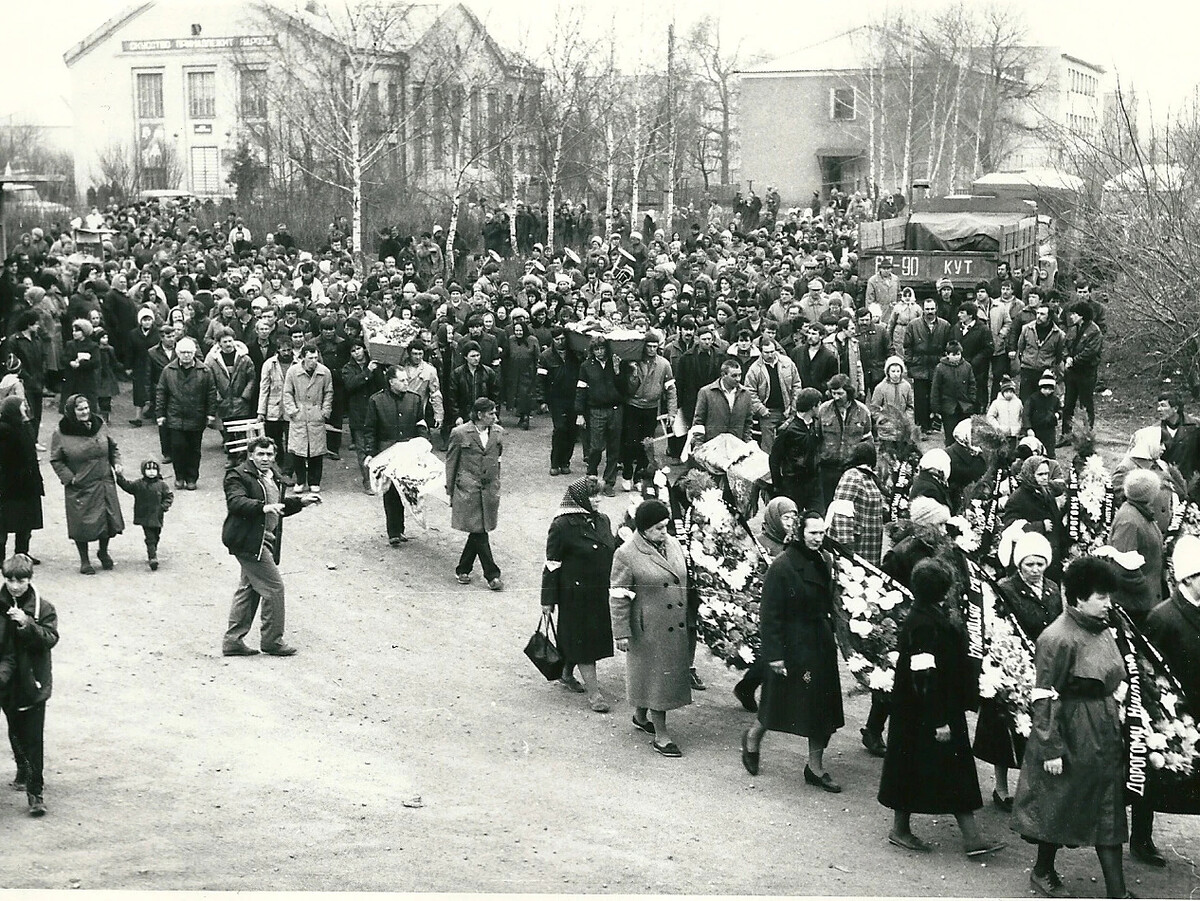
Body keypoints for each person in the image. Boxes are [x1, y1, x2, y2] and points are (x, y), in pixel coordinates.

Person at [1012, 556, 1131, 899]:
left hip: (1104, 727)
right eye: (1101, 597)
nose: (1109, 603)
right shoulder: (1057, 638)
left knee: (1107, 804)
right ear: (1078, 598)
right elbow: (1044, 694)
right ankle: (1042, 870)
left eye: (1109, 596)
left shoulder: (1105, 627)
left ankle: (1117, 891)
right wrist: (1050, 748)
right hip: (1071, 729)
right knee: (1061, 802)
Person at [879, 558, 1004, 857]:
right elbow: (924, 676)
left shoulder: (924, 615)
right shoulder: (925, 623)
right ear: (941, 591)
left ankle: (909, 830)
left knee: (914, 768)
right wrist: (939, 721)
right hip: (931, 712)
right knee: (950, 769)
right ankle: (966, 837)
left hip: (921, 711)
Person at [740, 510, 843, 791]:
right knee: (777, 705)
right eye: (812, 533)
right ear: (800, 533)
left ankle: (815, 767)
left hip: (819, 644)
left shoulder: (825, 559)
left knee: (821, 709)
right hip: (792, 646)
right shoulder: (782, 566)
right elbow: (770, 615)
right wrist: (774, 655)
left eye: (822, 533)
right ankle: (752, 738)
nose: (818, 539)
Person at [974, 531, 1059, 812]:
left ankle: (1031, 787)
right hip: (1012, 664)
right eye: (1029, 564)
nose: (1035, 570)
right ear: (1019, 564)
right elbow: (996, 626)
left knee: (1037, 729)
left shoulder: (1053, 589)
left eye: (1040, 564)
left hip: (1043, 665)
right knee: (1005, 728)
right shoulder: (1005, 589)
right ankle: (1001, 787)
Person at [221, 436, 320, 657]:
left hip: (263, 539)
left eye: (269, 454)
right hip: (248, 540)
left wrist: (300, 502)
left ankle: (233, 641)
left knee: (249, 590)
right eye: (260, 454)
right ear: (251, 455)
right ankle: (272, 641)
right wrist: (262, 507)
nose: (265, 458)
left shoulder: (272, 475)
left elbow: (277, 506)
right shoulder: (237, 475)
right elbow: (235, 502)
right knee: (274, 588)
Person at [609, 499, 692, 757]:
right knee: (658, 681)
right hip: (649, 631)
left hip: (674, 624)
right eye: (658, 528)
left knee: (654, 677)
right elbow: (619, 596)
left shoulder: (673, 544)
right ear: (643, 529)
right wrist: (621, 632)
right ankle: (662, 736)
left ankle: (640, 715)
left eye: (666, 526)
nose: (664, 532)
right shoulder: (626, 554)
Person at [1140, 534, 1200, 867]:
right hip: (1174, 712)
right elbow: (1149, 669)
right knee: (1156, 777)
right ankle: (1141, 838)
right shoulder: (1163, 617)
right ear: (1189, 579)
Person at [540, 477, 616, 713]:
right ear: (580, 498)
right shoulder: (562, 525)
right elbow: (552, 563)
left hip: (598, 590)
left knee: (579, 636)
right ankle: (595, 694)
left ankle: (565, 672)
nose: (598, 500)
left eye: (599, 495)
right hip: (574, 594)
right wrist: (548, 600)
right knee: (584, 641)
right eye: (593, 496)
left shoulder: (602, 520)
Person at [0, 553, 58, 817]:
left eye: (20, 579)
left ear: (29, 579)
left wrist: (27, 624)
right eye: (9, 579)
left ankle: (35, 793)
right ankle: (22, 766)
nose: (14, 585)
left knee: (33, 737)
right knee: (14, 729)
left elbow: (50, 639)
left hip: (33, 682)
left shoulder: (42, 608)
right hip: (5, 683)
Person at [732, 496, 798, 714]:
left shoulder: (794, 542)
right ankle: (751, 689)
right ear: (774, 518)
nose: (789, 523)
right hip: (764, 604)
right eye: (785, 518)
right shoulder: (760, 542)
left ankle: (749, 686)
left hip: (789, 604)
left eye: (793, 518)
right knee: (774, 651)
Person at [49, 394, 125, 575]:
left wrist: (117, 463)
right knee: (81, 523)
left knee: (107, 519)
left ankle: (103, 552)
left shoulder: (99, 425)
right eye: (80, 409)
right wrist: (70, 478)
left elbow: (113, 447)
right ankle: (84, 560)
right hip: (81, 485)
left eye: (86, 408)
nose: (85, 412)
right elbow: (56, 460)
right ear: (71, 412)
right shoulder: (61, 432)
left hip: (104, 481)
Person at [361, 366, 430, 546]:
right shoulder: (376, 401)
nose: (406, 383)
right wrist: (370, 452)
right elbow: (370, 429)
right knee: (390, 492)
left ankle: (401, 528)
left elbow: (421, 424)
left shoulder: (414, 400)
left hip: (409, 451)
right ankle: (394, 532)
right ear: (391, 382)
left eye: (407, 379)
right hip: (387, 452)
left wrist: (422, 442)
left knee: (408, 489)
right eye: (402, 380)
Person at [446, 398, 505, 590]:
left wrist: (496, 483)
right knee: (480, 531)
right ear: (479, 415)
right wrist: (450, 490)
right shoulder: (460, 433)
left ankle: (463, 568)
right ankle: (492, 575)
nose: (495, 417)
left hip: (488, 490)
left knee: (477, 530)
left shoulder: (498, 433)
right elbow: (451, 462)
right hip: (468, 489)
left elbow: (498, 460)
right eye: (491, 414)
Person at [155, 336, 218, 491]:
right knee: (177, 447)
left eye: (189, 352)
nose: (186, 355)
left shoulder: (204, 371)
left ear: (194, 353)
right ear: (178, 353)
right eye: (183, 352)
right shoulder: (168, 371)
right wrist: (160, 414)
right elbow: (161, 393)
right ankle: (179, 476)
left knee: (194, 449)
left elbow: (211, 393)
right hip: (175, 416)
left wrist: (210, 414)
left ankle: (191, 478)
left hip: (196, 417)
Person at [1108, 468, 1165, 625]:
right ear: (1149, 494)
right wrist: (1144, 587)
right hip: (1136, 605)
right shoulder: (1129, 521)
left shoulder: (1140, 513)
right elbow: (1122, 564)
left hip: (1145, 600)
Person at [814, 374, 873, 512]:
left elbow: (868, 440)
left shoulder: (863, 411)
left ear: (849, 392)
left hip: (852, 468)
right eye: (833, 393)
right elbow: (816, 438)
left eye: (840, 393)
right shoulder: (823, 410)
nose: (836, 397)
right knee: (828, 507)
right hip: (828, 468)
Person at [283, 344, 333, 494]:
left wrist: (325, 411)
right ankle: (300, 481)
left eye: (316, 357)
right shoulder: (293, 372)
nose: (313, 361)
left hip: (316, 413)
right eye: (310, 358)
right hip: (299, 414)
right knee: (298, 451)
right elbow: (287, 393)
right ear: (303, 357)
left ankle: (314, 481)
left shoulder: (325, 372)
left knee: (316, 451)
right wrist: (293, 411)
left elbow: (329, 392)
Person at [1003, 455, 1064, 578]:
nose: (1045, 478)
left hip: (1052, 554)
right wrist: (1040, 526)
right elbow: (1010, 525)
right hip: (1033, 557)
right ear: (1030, 474)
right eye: (1040, 474)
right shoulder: (1018, 497)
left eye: (1047, 474)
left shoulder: (1046, 491)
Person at [0, 396, 43, 563]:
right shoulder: (4, 430)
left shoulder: (25, 426)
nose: (25, 408)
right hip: (9, 485)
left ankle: (22, 554)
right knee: (3, 523)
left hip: (28, 482)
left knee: (26, 522)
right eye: (22, 406)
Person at [827, 443, 885, 566]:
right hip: (856, 547)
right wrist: (846, 548)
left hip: (867, 545)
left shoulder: (868, 477)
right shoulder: (853, 475)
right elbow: (841, 510)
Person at [769, 388, 824, 511]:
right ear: (812, 406)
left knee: (817, 518)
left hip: (814, 484)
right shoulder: (787, 429)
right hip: (793, 485)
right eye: (819, 404)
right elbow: (774, 458)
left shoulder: (816, 425)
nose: (820, 407)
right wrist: (777, 486)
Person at [115, 459, 174, 571]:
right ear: (143, 471)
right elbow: (127, 486)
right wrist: (119, 477)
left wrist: (163, 507)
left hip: (157, 515)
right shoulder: (139, 484)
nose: (151, 472)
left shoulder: (162, 485)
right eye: (148, 469)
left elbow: (169, 496)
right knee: (150, 537)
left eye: (154, 469)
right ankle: (152, 557)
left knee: (156, 535)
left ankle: (153, 550)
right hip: (145, 516)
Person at [1060, 300, 1103, 443]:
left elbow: (1091, 351)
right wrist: (1067, 357)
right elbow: (1065, 345)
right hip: (1071, 372)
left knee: (1086, 404)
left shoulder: (1094, 331)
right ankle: (1066, 434)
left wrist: (1074, 360)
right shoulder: (1072, 329)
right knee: (1068, 404)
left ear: (1082, 315)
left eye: (1075, 314)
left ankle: (1087, 435)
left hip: (1086, 373)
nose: (1071, 317)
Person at [690, 358, 754, 446]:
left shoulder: (746, 394)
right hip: (712, 446)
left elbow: (748, 422)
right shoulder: (706, 392)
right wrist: (698, 445)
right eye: (734, 376)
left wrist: (747, 444)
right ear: (723, 375)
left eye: (740, 375)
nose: (738, 379)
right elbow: (698, 422)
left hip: (736, 447)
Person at [930, 340, 976, 445]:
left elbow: (972, 384)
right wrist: (935, 408)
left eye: (958, 354)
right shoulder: (940, 368)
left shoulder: (967, 366)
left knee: (964, 435)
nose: (956, 357)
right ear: (947, 355)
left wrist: (971, 400)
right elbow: (935, 389)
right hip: (948, 408)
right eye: (953, 354)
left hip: (964, 407)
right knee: (950, 436)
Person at [1022, 370, 1061, 458]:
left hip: (1049, 430)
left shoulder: (1055, 400)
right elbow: (1026, 414)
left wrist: (1057, 415)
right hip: (1036, 430)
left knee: (1050, 452)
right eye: (1045, 389)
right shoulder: (1033, 399)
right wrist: (1028, 428)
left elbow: (1060, 409)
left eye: (1050, 389)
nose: (1047, 391)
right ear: (1040, 388)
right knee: (1034, 450)